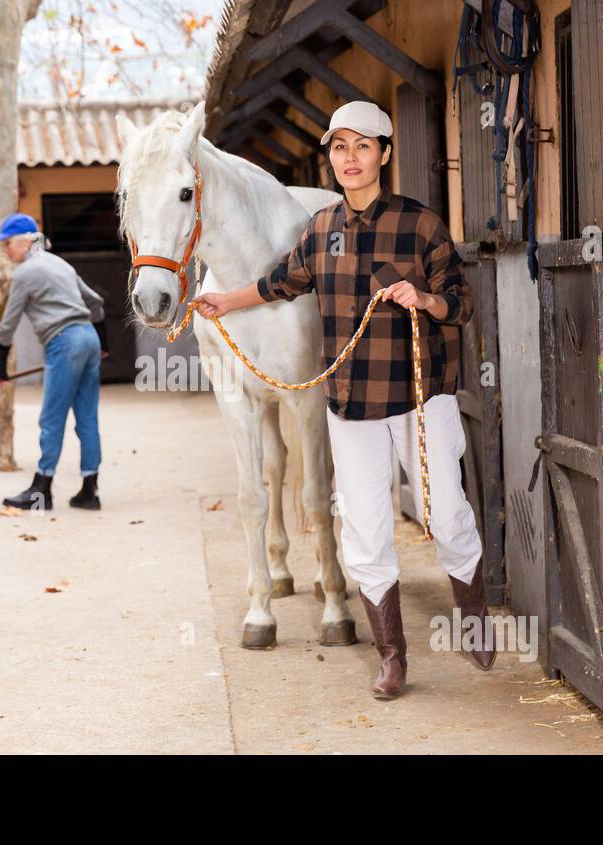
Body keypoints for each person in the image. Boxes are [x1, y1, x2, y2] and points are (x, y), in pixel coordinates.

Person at [193, 101, 493, 699]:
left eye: (362, 146)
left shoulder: (421, 224)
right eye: (339, 148)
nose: (349, 159)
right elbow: (283, 280)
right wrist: (226, 301)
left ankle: (474, 615)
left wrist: (425, 300)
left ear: (384, 153)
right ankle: (392, 656)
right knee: (364, 527)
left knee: (449, 512)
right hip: (351, 404)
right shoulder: (321, 227)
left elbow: (460, 303)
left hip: (417, 395)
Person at [0, 213, 110, 511]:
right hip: (88, 338)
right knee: (87, 419)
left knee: (51, 418)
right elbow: (95, 302)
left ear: (26, 241)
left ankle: (41, 490)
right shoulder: (60, 264)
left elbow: (8, 323)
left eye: (7, 244)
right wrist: (103, 344)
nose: (4, 251)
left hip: (64, 343)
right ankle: (89, 492)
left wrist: (0, 366)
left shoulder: (24, 273)